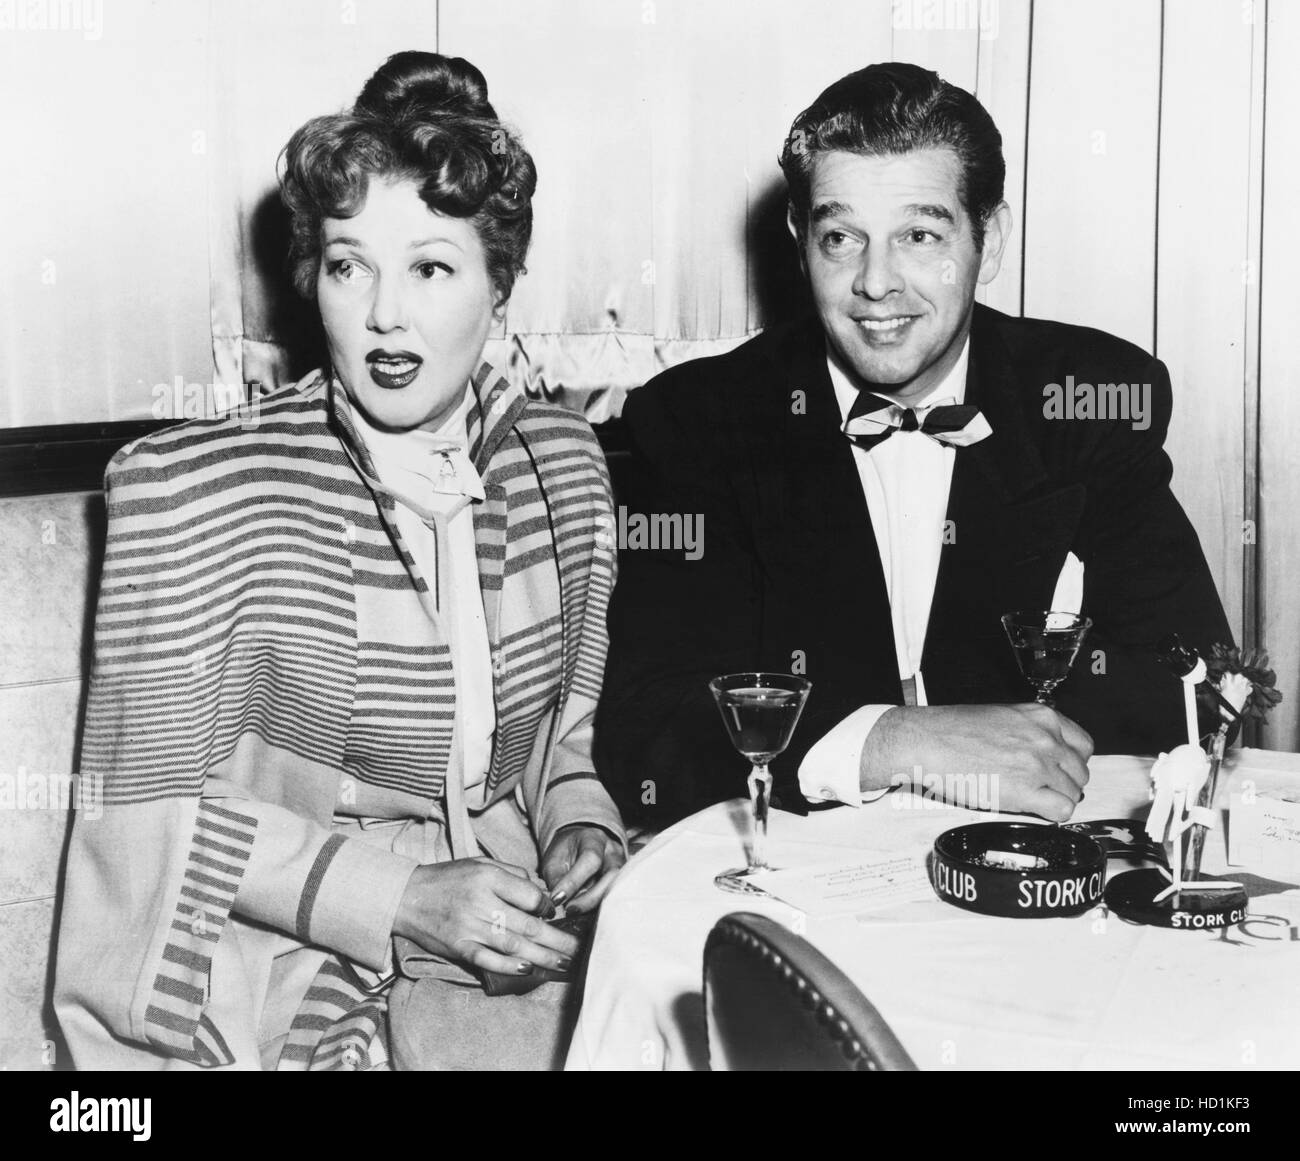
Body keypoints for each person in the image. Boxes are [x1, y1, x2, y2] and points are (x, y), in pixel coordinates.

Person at [55, 51, 626, 1071]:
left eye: (432, 267)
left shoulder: (564, 470)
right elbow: (141, 814)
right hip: (282, 958)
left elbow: (556, 745)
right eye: (348, 263)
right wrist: (399, 897)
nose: (383, 316)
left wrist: (581, 823)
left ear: (502, 285)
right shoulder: (192, 489)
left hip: (513, 933)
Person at [596, 62, 1232, 831]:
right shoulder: (698, 419)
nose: (875, 282)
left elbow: (1200, 685)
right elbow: (647, 724)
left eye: (920, 235)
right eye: (841, 238)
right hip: (802, 871)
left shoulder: (1087, 399)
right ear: (800, 242)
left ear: (987, 241)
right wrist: (894, 740)